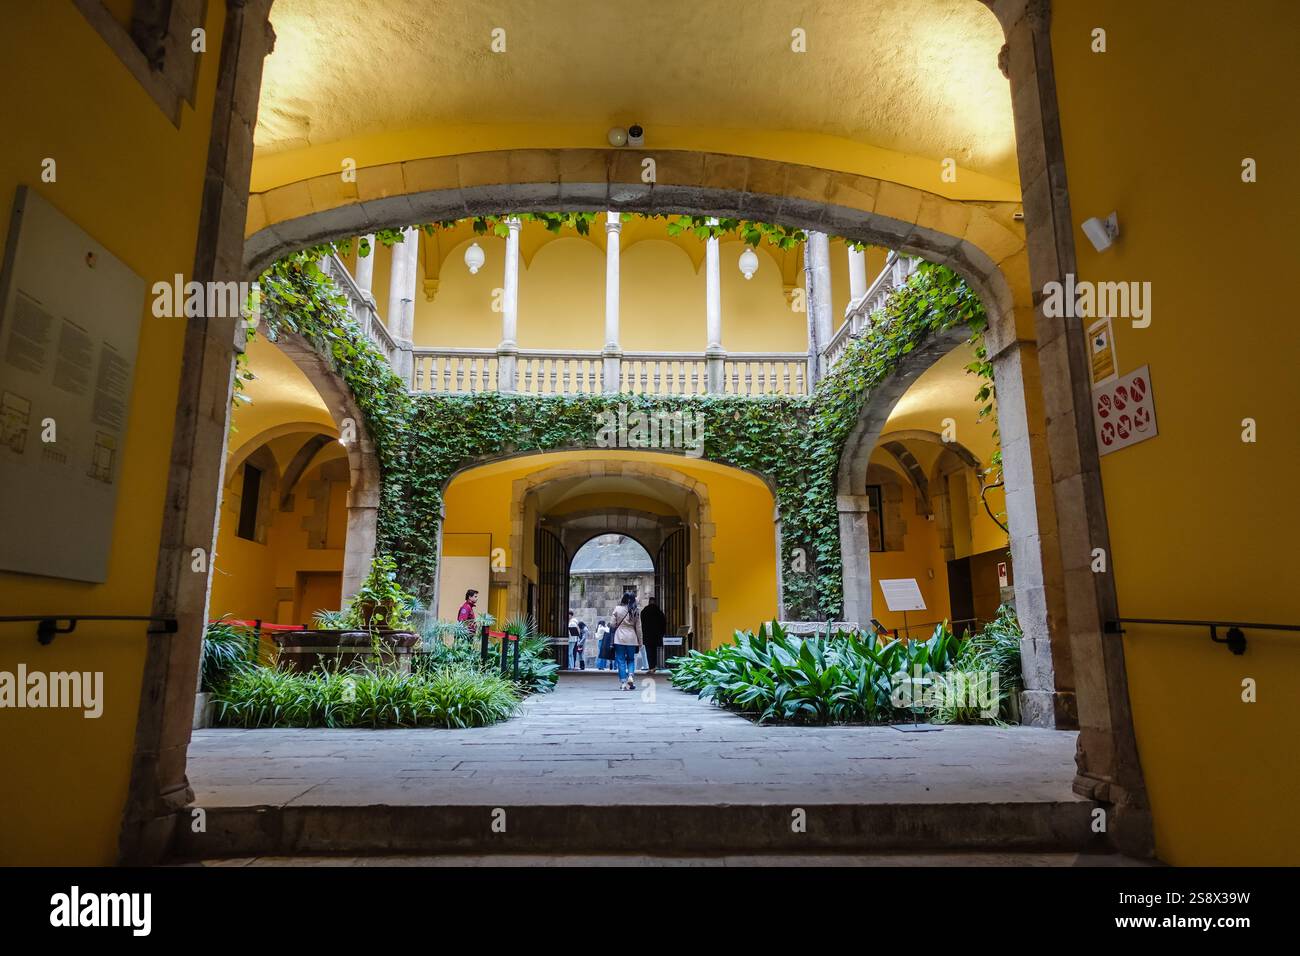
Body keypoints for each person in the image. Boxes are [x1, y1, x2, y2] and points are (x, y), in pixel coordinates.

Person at [610, 593, 643, 690]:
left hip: (619, 638)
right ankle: (631, 677)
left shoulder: (617, 609)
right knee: (631, 659)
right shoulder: (636, 611)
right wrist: (640, 642)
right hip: (632, 638)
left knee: (620, 660)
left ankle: (623, 683)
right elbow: (639, 628)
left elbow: (612, 624)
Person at [640, 595, 667, 673]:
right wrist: (662, 633)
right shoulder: (659, 612)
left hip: (647, 635)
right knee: (654, 651)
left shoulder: (644, 611)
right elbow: (663, 623)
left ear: (649, 602)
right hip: (656, 635)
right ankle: (654, 666)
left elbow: (642, 623)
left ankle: (651, 666)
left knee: (649, 651)